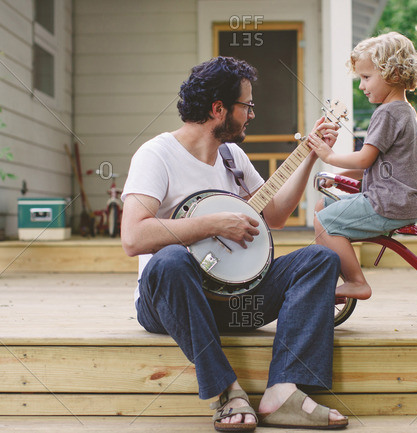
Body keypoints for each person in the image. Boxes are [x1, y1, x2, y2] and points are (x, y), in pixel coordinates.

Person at [120, 56, 348, 431]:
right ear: (218, 109)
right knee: (171, 260)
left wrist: (309, 154)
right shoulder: (157, 155)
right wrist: (211, 223)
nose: (252, 115)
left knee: (319, 259)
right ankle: (226, 389)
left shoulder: (232, 157)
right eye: (248, 105)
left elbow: (273, 215)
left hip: (234, 299)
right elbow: (133, 238)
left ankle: (283, 391)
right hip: (172, 304)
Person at [307, 32, 417, 301]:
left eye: (366, 77)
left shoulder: (388, 112)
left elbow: (364, 159)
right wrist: (338, 176)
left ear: (393, 74)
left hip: (388, 203)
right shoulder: (403, 110)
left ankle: (355, 281)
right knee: (321, 208)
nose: (361, 86)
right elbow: (373, 164)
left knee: (325, 221)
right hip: (393, 200)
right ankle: (335, 272)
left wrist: (329, 156)